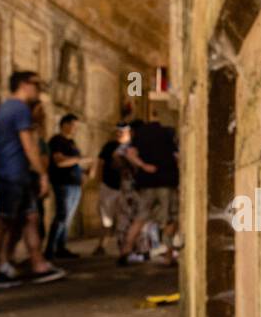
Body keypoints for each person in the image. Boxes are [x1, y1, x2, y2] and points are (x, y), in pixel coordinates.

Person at [0, 72, 64, 288]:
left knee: (30, 217)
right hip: (12, 172)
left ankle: (38, 265)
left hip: (12, 171)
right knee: (3, 221)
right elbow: (29, 146)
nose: (39, 90)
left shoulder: (5, 107)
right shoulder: (19, 108)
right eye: (36, 85)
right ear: (23, 85)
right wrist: (43, 174)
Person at [120, 119, 179, 266]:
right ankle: (168, 256)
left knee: (140, 218)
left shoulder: (139, 136)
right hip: (167, 181)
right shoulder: (167, 133)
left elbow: (129, 154)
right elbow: (177, 156)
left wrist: (144, 166)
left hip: (147, 183)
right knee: (168, 220)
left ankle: (125, 251)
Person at [46, 113, 92, 260]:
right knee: (62, 215)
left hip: (74, 184)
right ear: (64, 124)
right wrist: (79, 160)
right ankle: (50, 249)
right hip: (63, 183)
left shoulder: (72, 143)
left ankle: (61, 247)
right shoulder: (57, 141)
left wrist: (85, 170)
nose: (75, 129)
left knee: (68, 217)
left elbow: (74, 163)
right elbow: (59, 161)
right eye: (73, 125)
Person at [92, 122, 129, 256]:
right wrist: (99, 181)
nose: (120, 134)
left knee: (123, 218)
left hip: (125, 188)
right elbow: (100, 164)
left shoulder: (130, 147)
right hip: (109, 186)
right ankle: (102, 245)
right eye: (118, 131)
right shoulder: (109, 147)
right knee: (106, 219)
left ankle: (123, 246)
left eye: (123, 131)